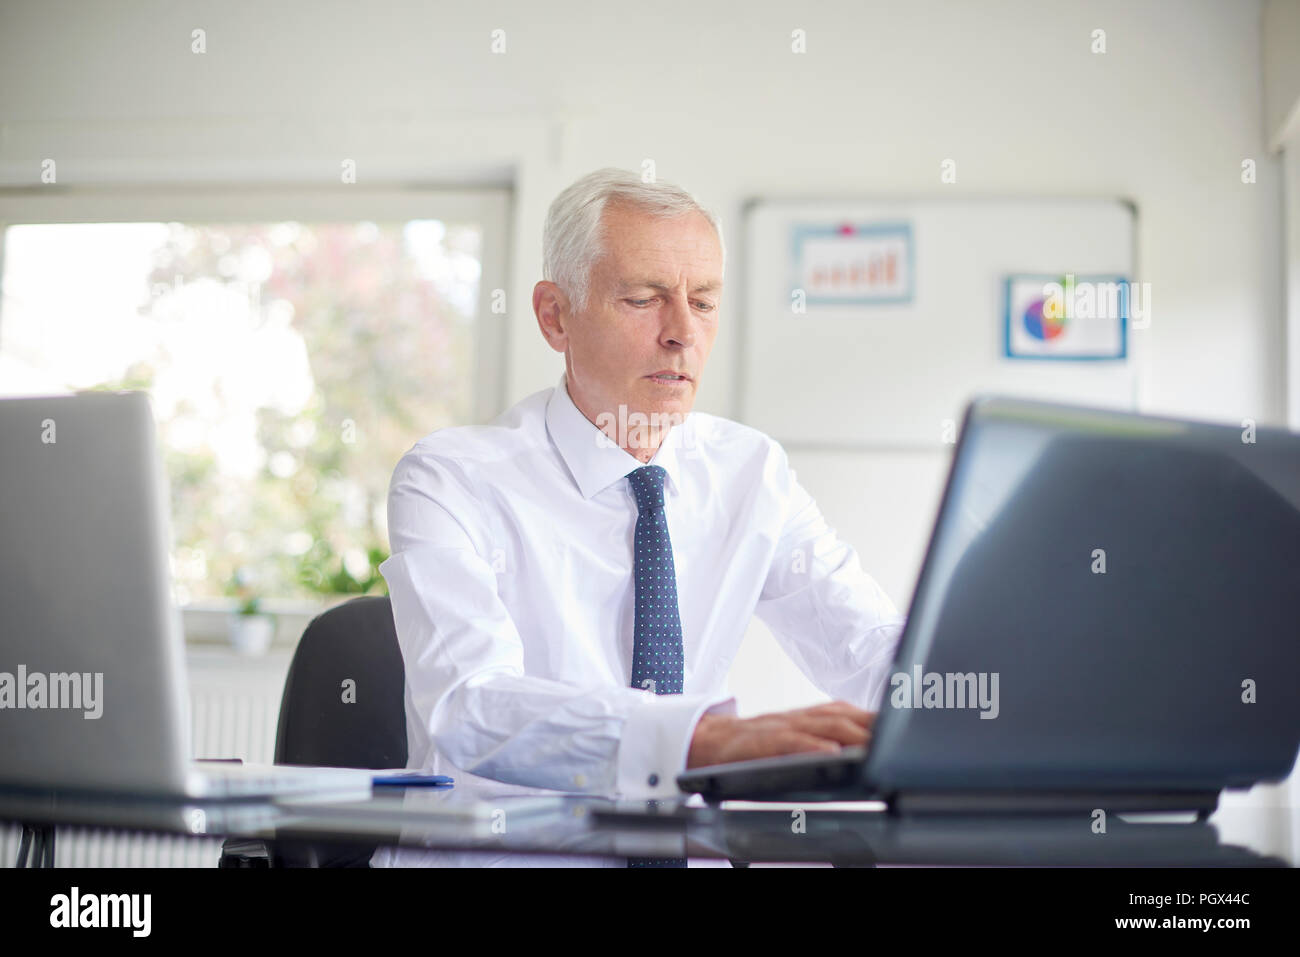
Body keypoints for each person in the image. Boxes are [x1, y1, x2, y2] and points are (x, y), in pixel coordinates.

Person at [371, 168, 904, 867]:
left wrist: (981, 709)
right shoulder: (453, 478)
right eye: (643, 299)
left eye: (704, 302)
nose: (682, 333)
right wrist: (697, 741)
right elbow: (470, 706)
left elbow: (869, 647)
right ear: (555, 315)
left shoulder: (751, 472)